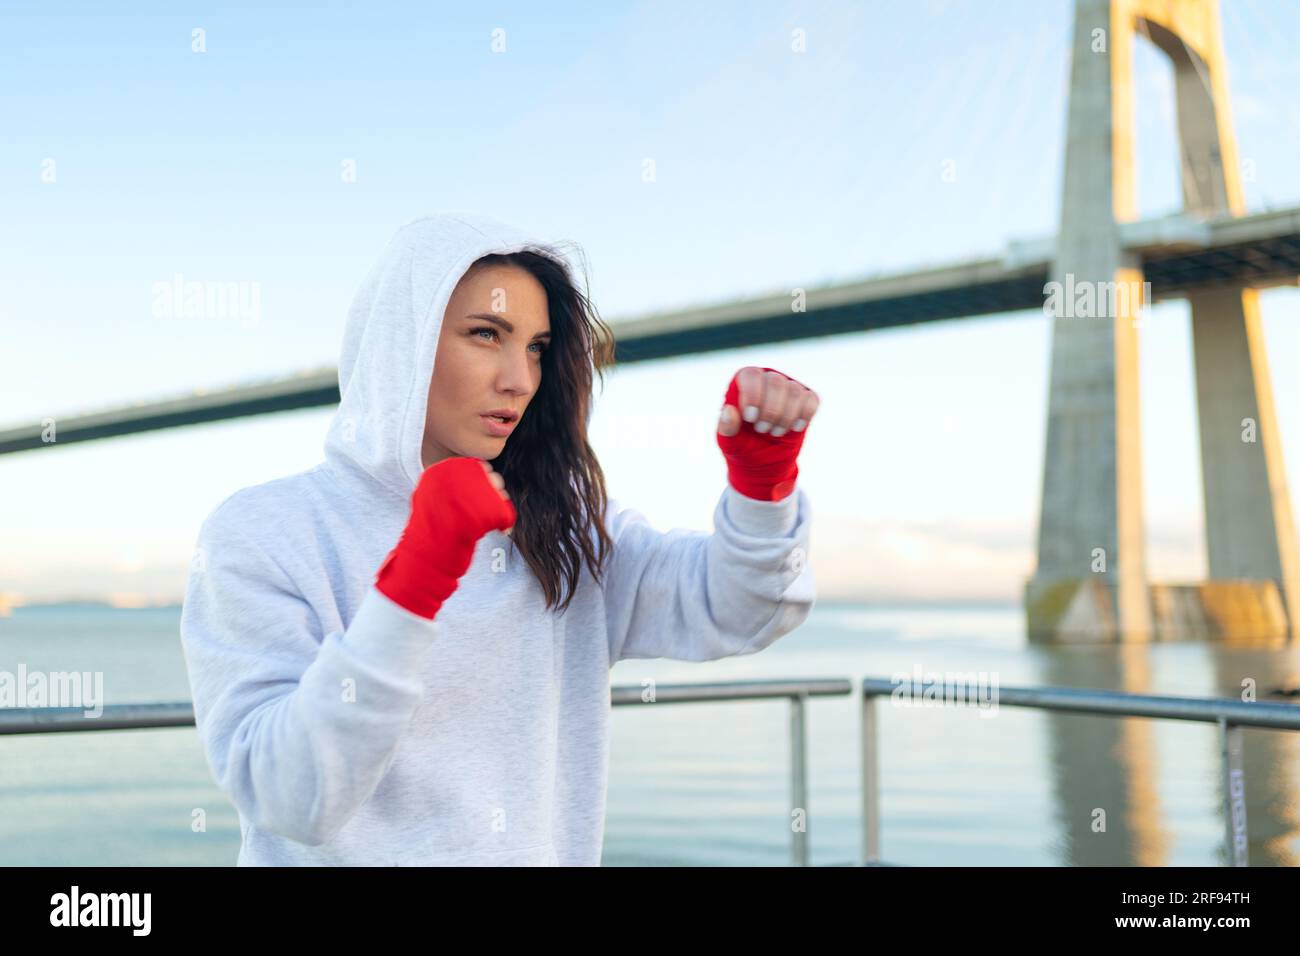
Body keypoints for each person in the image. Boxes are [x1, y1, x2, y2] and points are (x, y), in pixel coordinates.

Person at [178, 211, 819, 866]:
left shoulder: (564, 527)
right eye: (487, 334)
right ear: (407, 340)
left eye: (537, 347)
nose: (521, 378)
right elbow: (291, 797)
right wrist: (420, 573)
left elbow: (740, 610)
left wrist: (761, 487)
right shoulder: (262, 531)